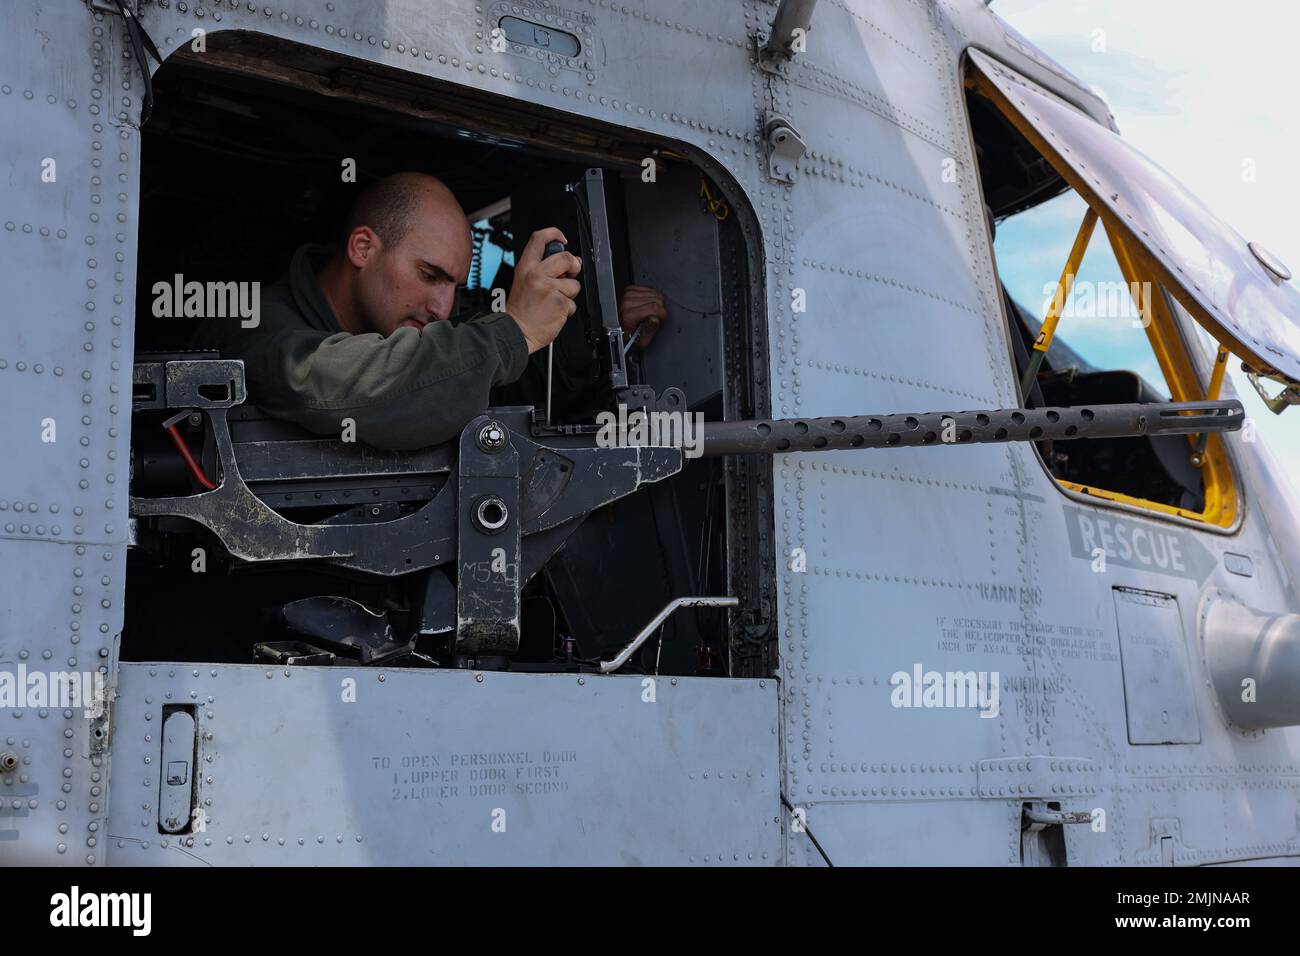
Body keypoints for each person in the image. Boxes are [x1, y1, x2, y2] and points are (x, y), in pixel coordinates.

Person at [192, 171, 666, 450]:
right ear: (362, 248)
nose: (442, 306)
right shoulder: (256, 327)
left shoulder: (413, 332)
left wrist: (595, 340)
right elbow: (353, 379)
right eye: (429, 274)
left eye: (455, 286)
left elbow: (478, 376)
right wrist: (513, 331)